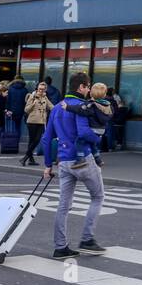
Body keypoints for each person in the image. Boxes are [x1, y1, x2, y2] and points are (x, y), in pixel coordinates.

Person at [40, 72, 106, 259]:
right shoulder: (80, 106)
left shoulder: (57, 108)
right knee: (98, 196)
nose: (88, 90)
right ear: (81, 87)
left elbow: (46, 139)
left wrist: (47, 165)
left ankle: (60, 247)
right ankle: (87, 240)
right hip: (82, 159)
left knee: (63, 205)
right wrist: (98, 138)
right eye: (88, 86)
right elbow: (84, 132)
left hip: (63, 161)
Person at [21, 81, 52, 166]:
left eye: (43, 89)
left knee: (37, 140)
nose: (41, 91)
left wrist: (60, 108)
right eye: (40, 89)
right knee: (32, 141)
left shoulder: (45, 97)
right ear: (37, 88)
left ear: (45, 89)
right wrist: (33, 104)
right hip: (32, 121)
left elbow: (51, 106)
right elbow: (26, 109)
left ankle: (25, 158)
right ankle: (30, 159)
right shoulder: (32, 96)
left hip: (41, 122)